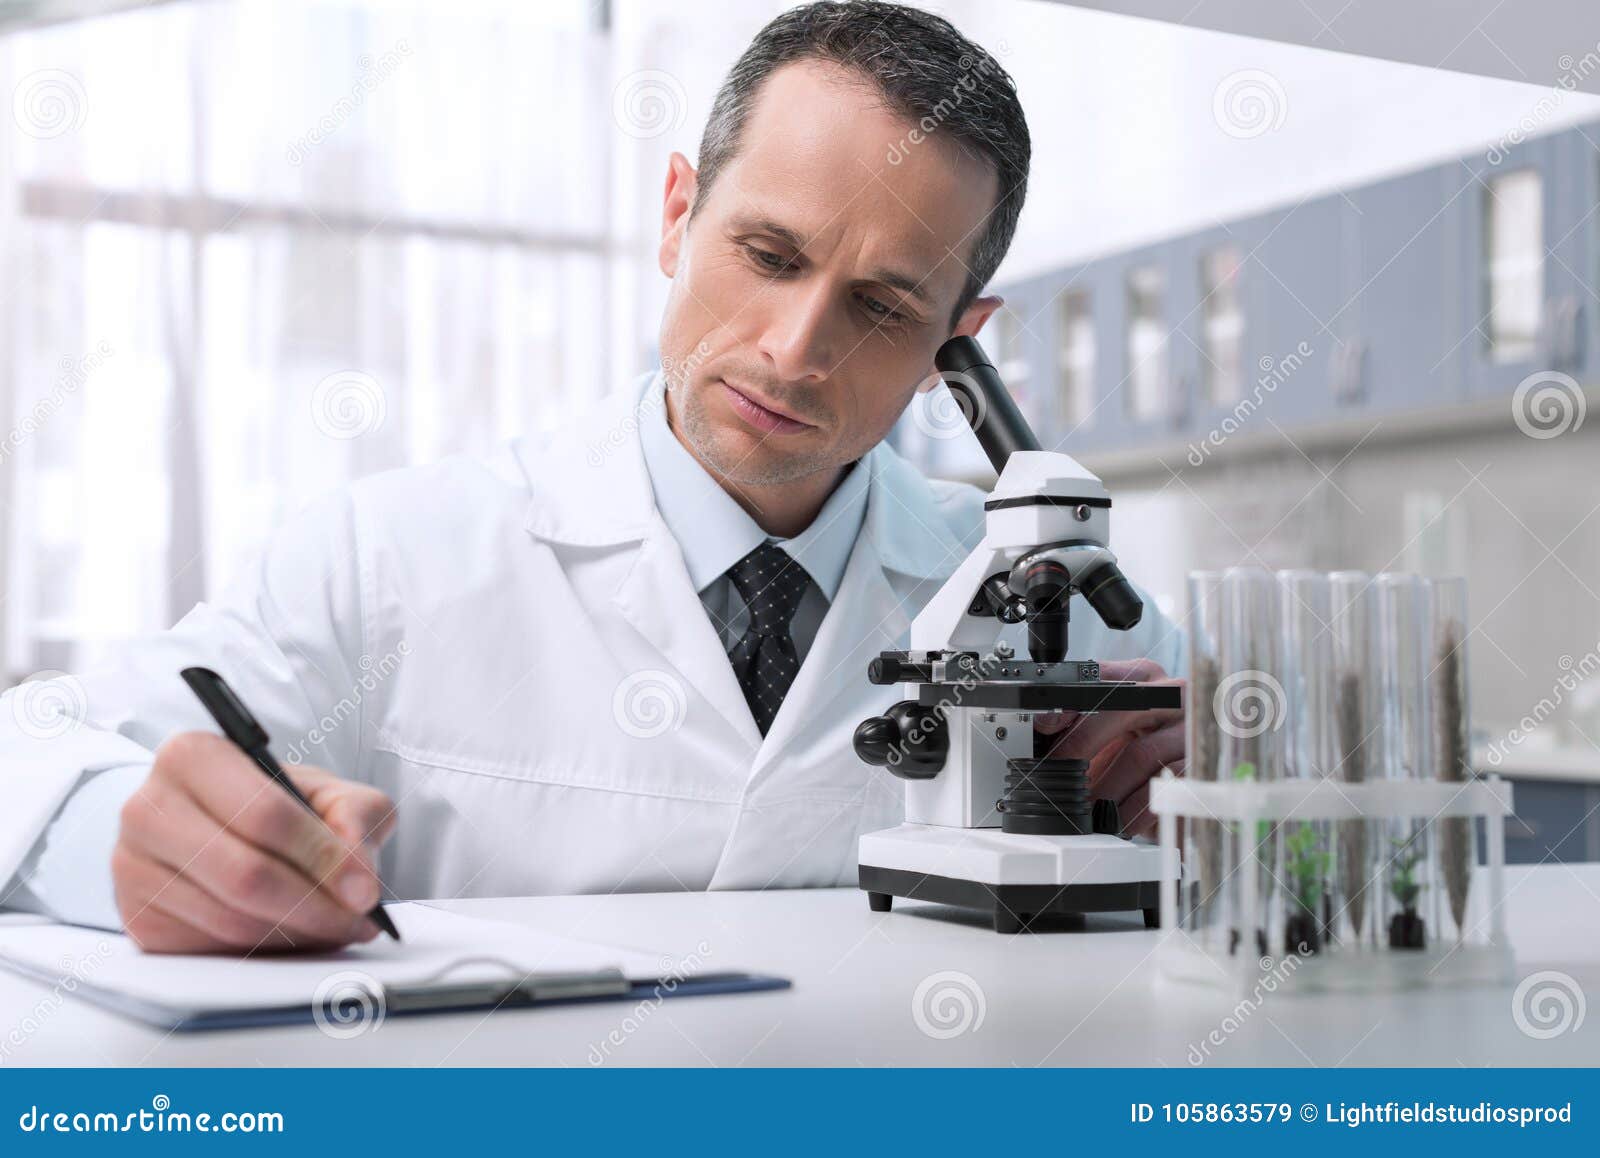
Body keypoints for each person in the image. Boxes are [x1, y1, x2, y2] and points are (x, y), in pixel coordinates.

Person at [0, 1, 1185, 954]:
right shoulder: (389, 555)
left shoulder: (1039, 587)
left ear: (957, 342)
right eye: (766, 256)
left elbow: (1260, 774)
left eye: (880, 307)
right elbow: (33, 751)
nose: (794, 347)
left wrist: (1203, 812)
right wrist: (129, 839)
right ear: (677, 216)